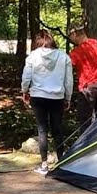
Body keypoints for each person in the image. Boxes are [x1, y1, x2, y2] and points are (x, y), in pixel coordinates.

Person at [20, 28, 73, 174]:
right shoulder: (64, 57)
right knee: (57, 128)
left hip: (38, 96)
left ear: (38, 42)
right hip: (57, 97)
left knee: (42, 129)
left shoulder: (32, 56)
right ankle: (61, 162)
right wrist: (68, 97)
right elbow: (69, 80)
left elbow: (26, 77)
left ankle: (44, 164)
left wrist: (25, 91)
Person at [68, 25, 97, 129]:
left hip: (88, 89)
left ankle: (85, 144)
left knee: (84, 120)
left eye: (70, 37)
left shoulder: (76, 53)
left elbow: (67, 65)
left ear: (74, 34)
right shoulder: (96, 43)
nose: (70, 40)